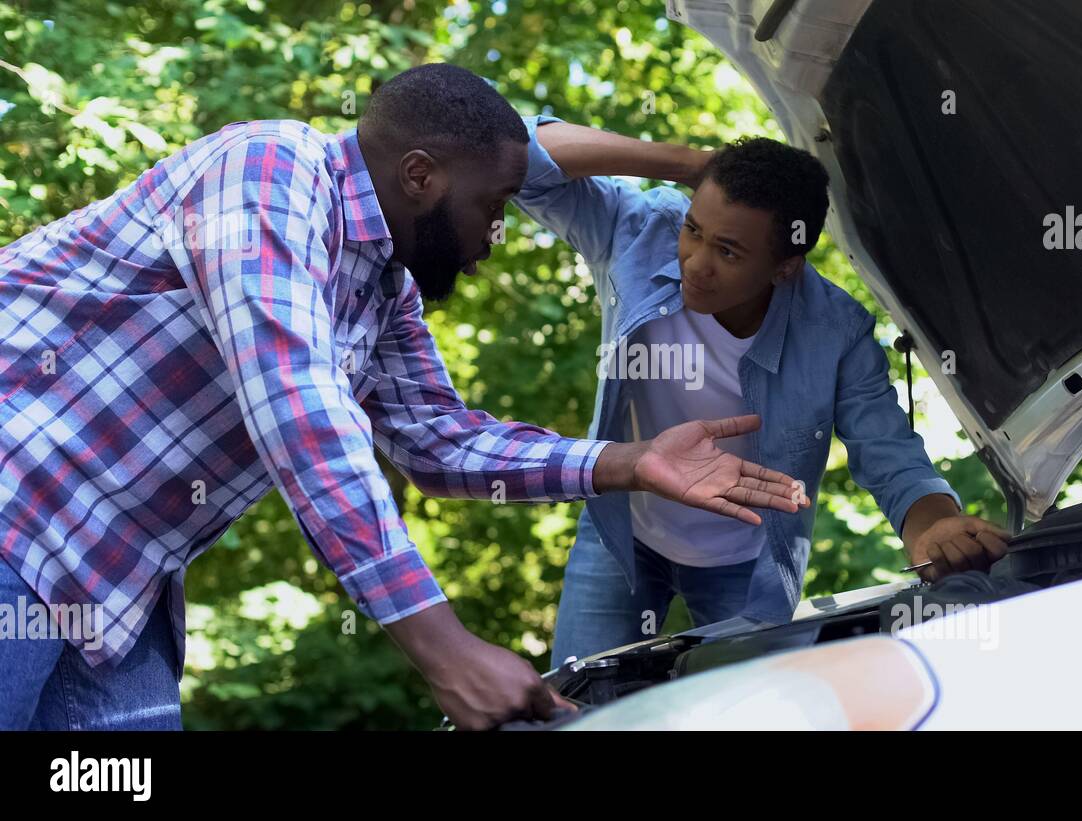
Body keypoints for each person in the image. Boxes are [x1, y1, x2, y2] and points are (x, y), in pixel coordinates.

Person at [0, 64, 804, 731]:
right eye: (491, 208)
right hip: (17, 518)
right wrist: (443, 646)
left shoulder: (386, 291)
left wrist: (628, 460)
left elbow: (440, 442)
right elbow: (296, 403)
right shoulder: (268, 173)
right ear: (421, 176)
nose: (496, 234)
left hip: (115, 585)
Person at [511, 116, 1010, 667]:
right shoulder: (643, 231)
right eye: (694, 230)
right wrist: (694, 165)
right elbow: (520, 155)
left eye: (728, 251)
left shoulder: (836, 332)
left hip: (746, 564)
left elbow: (890, 455)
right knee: (579, 710)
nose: (695, 264)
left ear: (785, 266)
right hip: (621, 534)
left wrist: (934, 525)